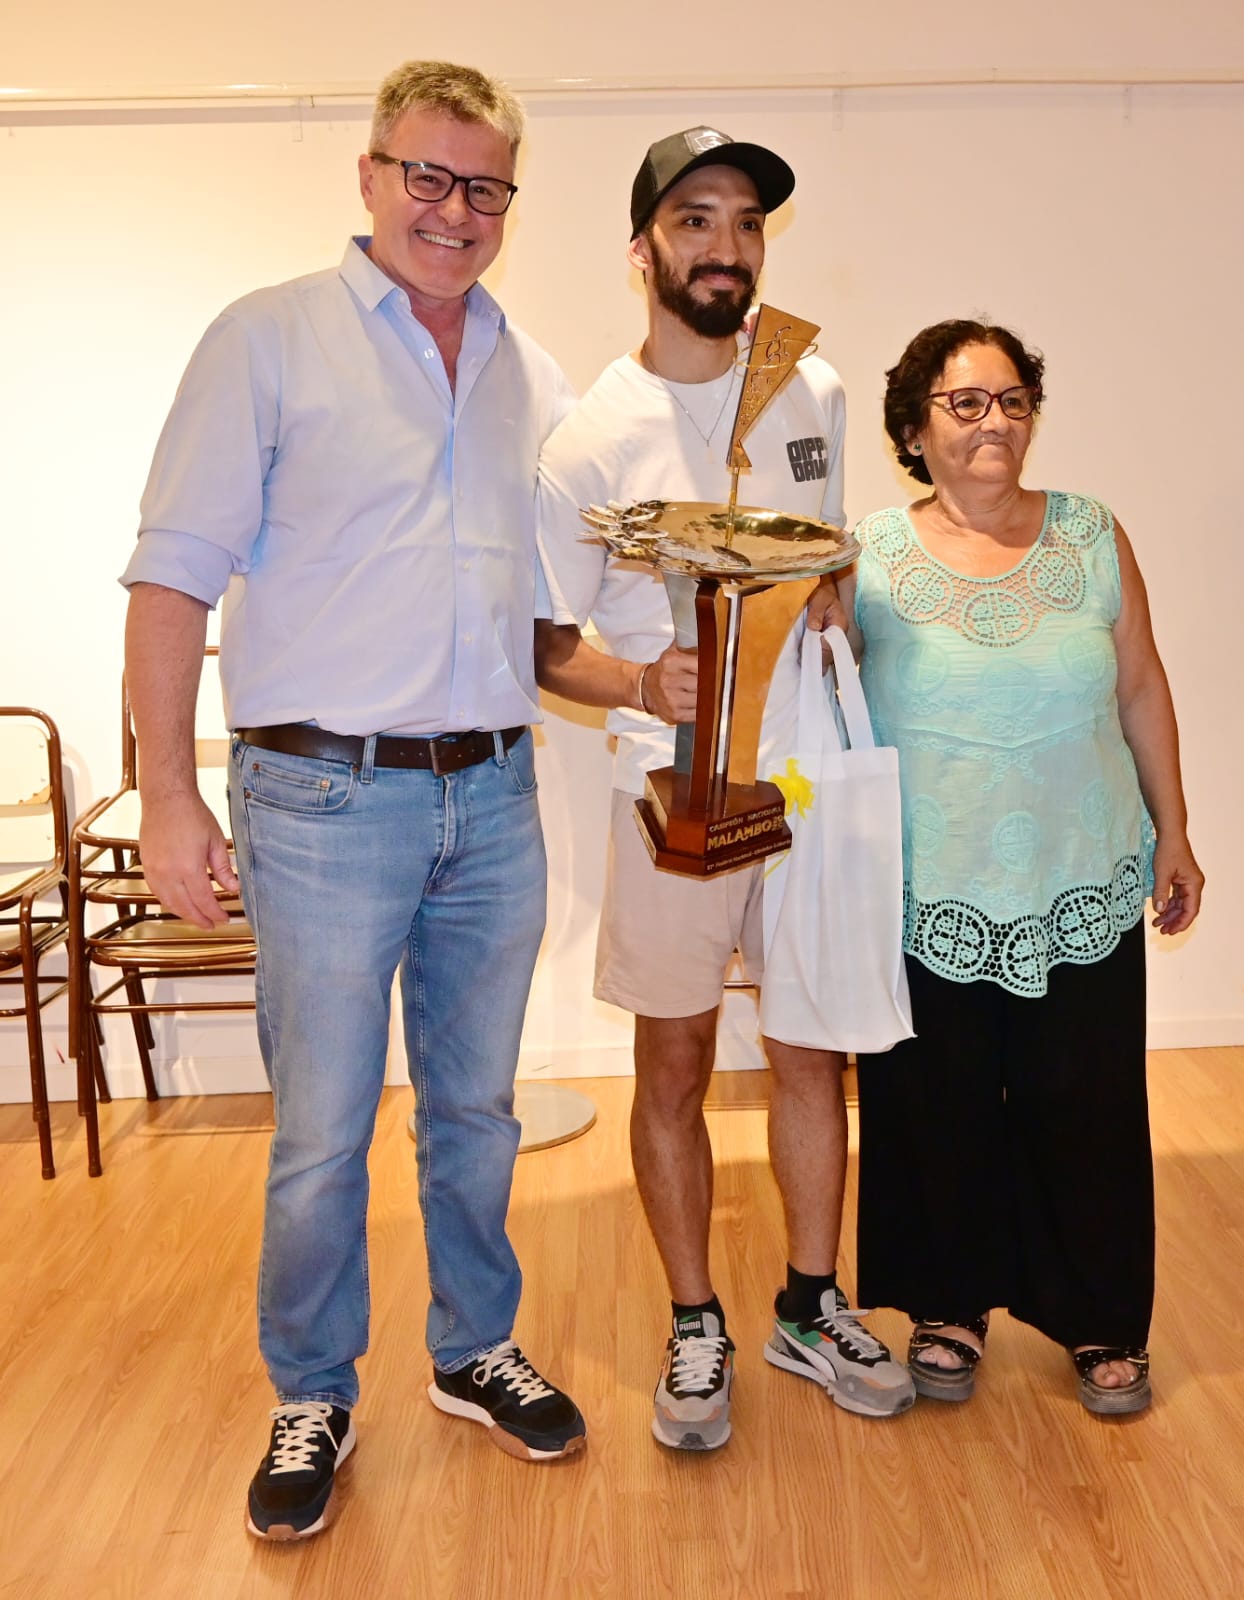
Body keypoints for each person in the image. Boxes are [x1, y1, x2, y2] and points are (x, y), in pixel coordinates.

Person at [121, 60, 587, 1543]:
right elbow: (171, 575)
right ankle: (313, 1387)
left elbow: (541, 606)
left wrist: (657, 677)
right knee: (322, 1129)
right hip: (320, 797)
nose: (455, 212)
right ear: (371, 176)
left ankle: (471, 1351)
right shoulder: (267, 339)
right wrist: (165, 795)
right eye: (428, 177)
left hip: (494, 796)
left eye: (486, 187)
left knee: (477, 1112)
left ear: (511, 199)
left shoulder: (530, 372)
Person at [534, 126, 915, 1452]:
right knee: (677, 1056)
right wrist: (642, 688)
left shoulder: (804, 385)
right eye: (693, 220)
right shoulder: (590, 435)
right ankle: (695, 1320)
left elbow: (826, 564)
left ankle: (809, 1303)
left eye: (744, 221)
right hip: (669, 794)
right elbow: (544, 639)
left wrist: (830, 591)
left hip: (801, 781)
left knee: (815, 1048)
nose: (724, 246)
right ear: (642, 249)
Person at [840, 319, 1204, 1415]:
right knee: (934, 1100)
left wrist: (1173, 829)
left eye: (1010, 400)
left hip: (1078, 868)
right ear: (914, 426)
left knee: (1081, 1100)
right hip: (926, 882)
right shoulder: (867, 553)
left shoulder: (1092, 532)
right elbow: (820, 709)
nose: (993, 421)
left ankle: (1099, 1322)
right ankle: (948, 1304)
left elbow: (1139, 684)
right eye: (964, 403)